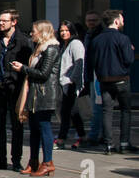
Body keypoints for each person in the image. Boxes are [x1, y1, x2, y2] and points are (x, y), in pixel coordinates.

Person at [0, 9, 33, 172]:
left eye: (4, 20)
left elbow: (30, 65)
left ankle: (16, 161)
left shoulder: (24, 41)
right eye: (0, 20)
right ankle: (0, 160)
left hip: (15, 88)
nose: (1, 23)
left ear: (14, 22)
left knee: (17, 125)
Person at [13, 20, 60, 176]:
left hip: (45, 95)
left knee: (44, 128)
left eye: (34, 31)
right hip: (35, 94)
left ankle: (48, 163)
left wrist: (23, 68)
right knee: (34, 129)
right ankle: (33, 162)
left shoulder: (51, 48)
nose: (31, 33)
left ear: (42, 32)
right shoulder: (38, 48)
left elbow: (44, 74)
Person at [87, 9, 134, 154]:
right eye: (122, 20)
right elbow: (128, 60)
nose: (123, 22)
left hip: (104, 81)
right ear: (116, 21)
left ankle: (108, 144)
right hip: (122, 80)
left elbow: (92, 62)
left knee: (107, 111)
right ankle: (124, 143)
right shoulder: (123, 38)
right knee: (125, 110)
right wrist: (130, 50)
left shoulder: (96, 40)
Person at [55, 21, 86, 150]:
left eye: (66, 30)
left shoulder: (75, 44)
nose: (64, 33)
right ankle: (82, 136)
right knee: (72, 112)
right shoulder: (65, 45)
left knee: (66, 112)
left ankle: (61, 139)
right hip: (65, 83)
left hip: (70, 83)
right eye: (62, 30)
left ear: (72, 31)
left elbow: (79, 63)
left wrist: (73, 80)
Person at [80, 10, 106, 146]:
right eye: (89, 20)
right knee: (96, 107)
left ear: (100, 21)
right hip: (90, 74)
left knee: (97, 107)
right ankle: (99, 134)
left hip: (98, 76)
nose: (91, 22)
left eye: (94, 20)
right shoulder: (87, 35)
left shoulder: (100, 35)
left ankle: (95, 135)